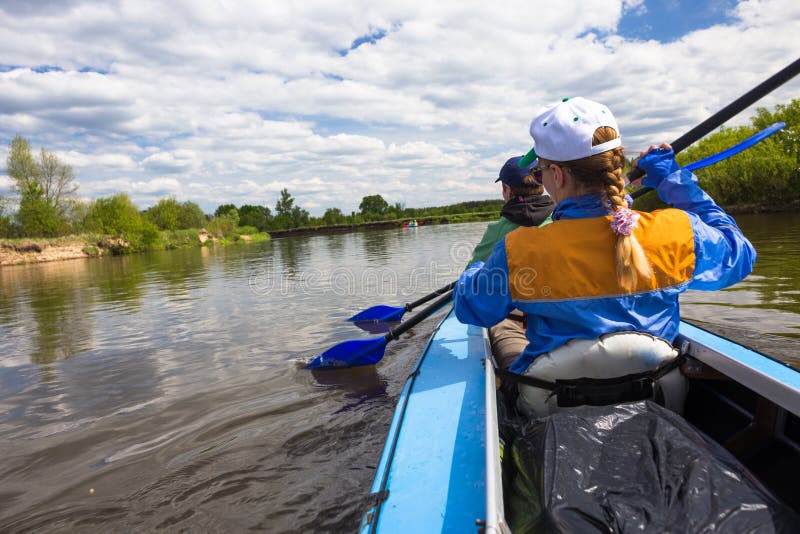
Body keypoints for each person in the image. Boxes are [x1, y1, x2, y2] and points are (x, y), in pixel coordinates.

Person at [455, 97, 756, 418]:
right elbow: (740, 254)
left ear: (557, 175)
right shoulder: (677, 231)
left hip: (551, 411)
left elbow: (471, 308)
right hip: (657, 402)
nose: (541, 181)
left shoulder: (520, 250)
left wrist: (478, 269)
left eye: (540, 172)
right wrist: (673, 181)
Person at [468, 156, 554, 369]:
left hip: (518, 314)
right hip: (555, 314)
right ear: (542, 183)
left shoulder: (498, 231)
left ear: (507, 189)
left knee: (499, 318)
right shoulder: (561, 217)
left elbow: (472, 280)